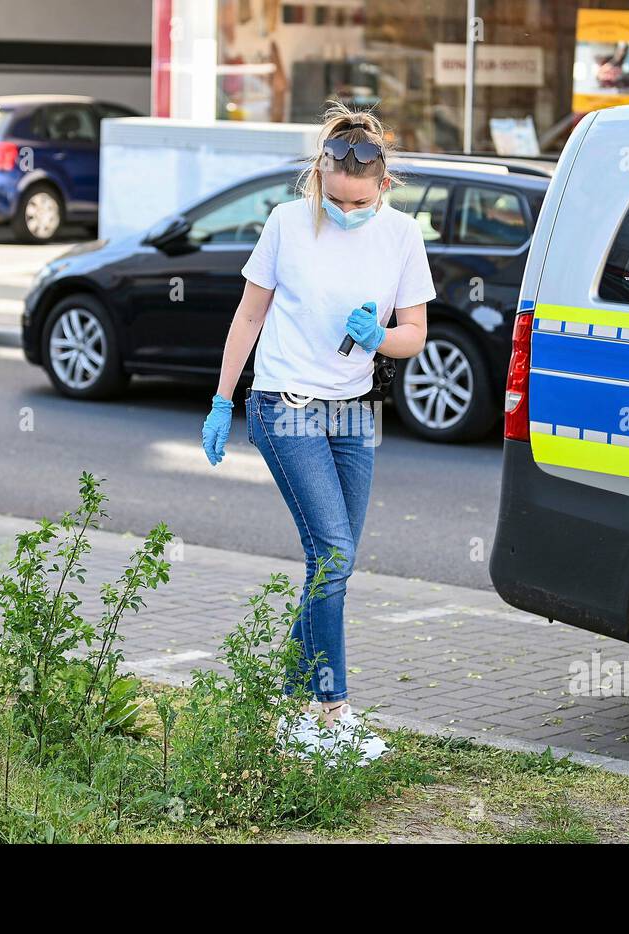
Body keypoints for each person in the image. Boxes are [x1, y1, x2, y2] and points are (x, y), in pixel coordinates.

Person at [201, 103, 436, 763]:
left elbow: (414, 334)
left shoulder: (401, 237)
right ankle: (331, 713)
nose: (346, 210)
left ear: (384, 185)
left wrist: (379, 337)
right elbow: (248, 319)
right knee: (332, 557)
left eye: (359, 201)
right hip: (286, 405)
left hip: (354, 411)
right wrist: (223, 400)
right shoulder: (284, 224)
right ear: (320, 178)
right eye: (335, 197)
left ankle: (288, 710)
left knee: (332, 565)